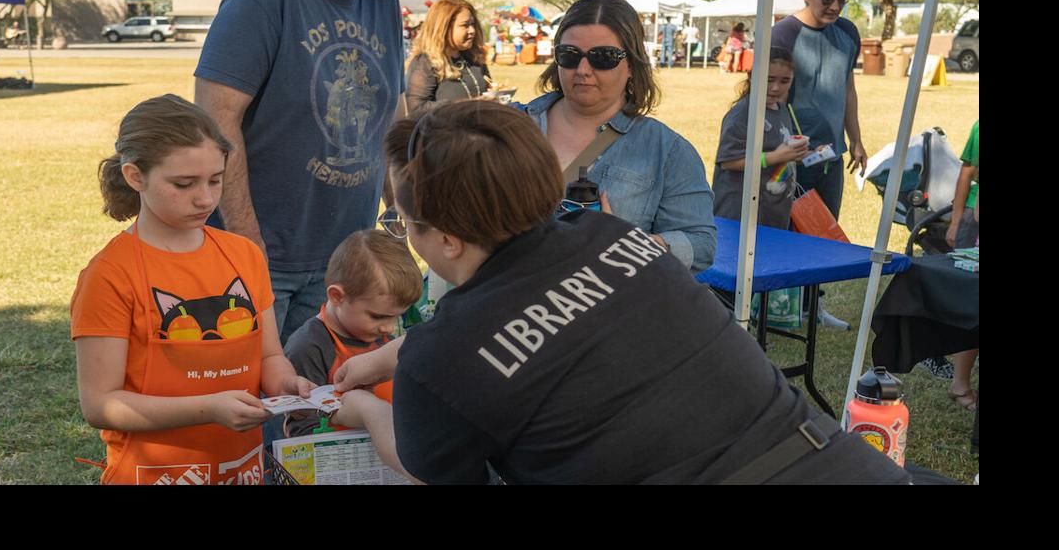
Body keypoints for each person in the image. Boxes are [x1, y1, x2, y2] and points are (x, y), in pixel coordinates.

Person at [327, 101, 909, 485]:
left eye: (403, 223)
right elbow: (555, 324)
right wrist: (388, 355)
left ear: (448, 239)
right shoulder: (611, 236)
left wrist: (366, 407)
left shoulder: (445, 355)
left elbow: (420, 465)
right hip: (837, 464)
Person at [193, 0, 432, 345]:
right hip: (263, 252)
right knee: (252, 403)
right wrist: (247, 243)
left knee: (318, 404)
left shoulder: (383, 0)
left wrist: (401, 207)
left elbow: (387, 117)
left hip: (344, 257)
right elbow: (215, 120)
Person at [71, 95, 315, 485]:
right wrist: (208, 408)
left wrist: (287, 384)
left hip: (242, 470)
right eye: (183, 184)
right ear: (135, 176)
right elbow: (100, 403)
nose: (205, 198)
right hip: (153, 473)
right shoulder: (111, 274)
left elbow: (269, 355)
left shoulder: (243, 256)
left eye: (215, 180)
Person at [519, 0, 715, 273]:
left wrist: (629, 247)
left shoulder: (667, 150)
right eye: (569, 55)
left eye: (604, 58)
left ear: (633, 65)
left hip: (604, 311)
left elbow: (701, 245)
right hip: (506, 308)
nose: (583, 70)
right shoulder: (510, 127)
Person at [772, 0, 868, 330]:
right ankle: (780, 308)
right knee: (786, 232)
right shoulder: (783, 34)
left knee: (822, 231)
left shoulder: (847, 32)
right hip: (788, 155)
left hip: (832, 153)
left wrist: (855, 138)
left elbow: (847, 87)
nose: (835, 6)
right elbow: (767, 94)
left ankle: (814, 306)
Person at [282, 229, 421, 436]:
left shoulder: (380, 337)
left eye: (396, 317)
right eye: (378, 316)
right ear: (337, 296)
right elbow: (301, 427)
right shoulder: (308, 348)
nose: (389, 328)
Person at [712, 48, 812, 229]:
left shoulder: (781, 109)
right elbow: (728, 161)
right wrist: (776, 157)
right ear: (752, 76)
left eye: (784, 81)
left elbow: (780, 151)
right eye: (769, 80)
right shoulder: (743, 114)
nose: (775, 88)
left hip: (773, 212)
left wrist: (802, 154)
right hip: (741, 215)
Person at [404, 0, 493, 115]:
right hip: (443, 132)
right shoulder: (425, 63)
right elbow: (416, 109)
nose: (472, 30)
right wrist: (463, 106)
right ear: (444, 28)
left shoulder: (474, 59)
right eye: (465, 25)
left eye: (472, 24)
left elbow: (489, 92)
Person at [943, 120, 978, 411]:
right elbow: (966, 173)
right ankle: (960, 383)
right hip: (974, 222)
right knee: (972, 307)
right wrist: (955, 221)